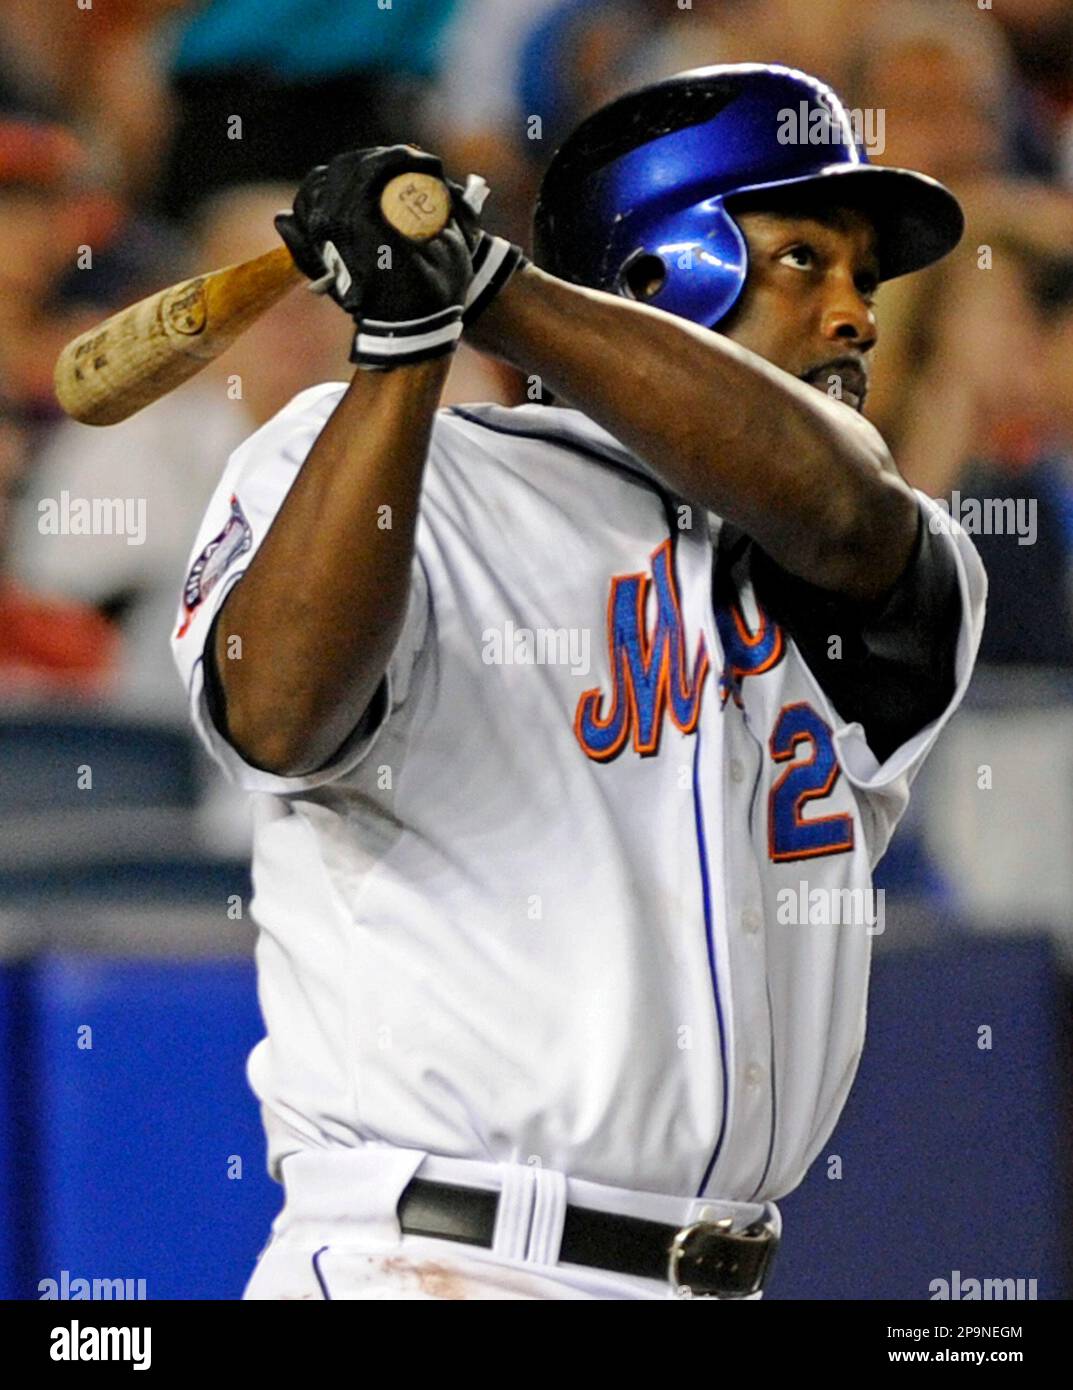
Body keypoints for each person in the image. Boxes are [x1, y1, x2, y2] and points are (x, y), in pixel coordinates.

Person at [171, 64, 986, 1300]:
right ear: (659, 271)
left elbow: (830, 508)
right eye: (803, 260)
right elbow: (280, 716)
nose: (856, 316)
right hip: (434, 1256)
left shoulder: (880, 544)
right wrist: (404, 342)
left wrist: (488, 290)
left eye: (864, 281)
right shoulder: (405, 469)